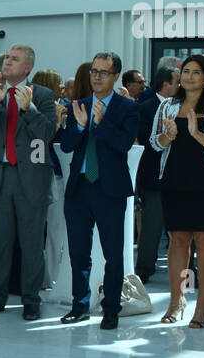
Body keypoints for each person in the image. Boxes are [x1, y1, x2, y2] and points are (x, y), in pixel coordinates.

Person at [0, 45, 57, 319]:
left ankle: (31, 300)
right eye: (7, 57)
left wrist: (29, 108)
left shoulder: (42, 95)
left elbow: (47, 134)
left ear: (28, 68)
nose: (7, 62)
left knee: (32, 245)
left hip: (30, 178)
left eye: (14, 59)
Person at [149, 53, 204, 328]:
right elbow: (155, 143)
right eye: (186, 71)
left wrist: (197, 134)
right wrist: (168, 135)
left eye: (196, 72)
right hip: (175, 180)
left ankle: (203, 304)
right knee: (178, 241)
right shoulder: (168, 106)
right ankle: (178, 300)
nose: (189, 77)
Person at [58, 53, 140, 328]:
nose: (96, 76)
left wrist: (102, 122)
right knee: (78, 253)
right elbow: (66, 145)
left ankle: (111, 309)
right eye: (94, 71)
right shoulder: (79, 105)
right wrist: (80, 126)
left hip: (110, 191)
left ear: (115, 76)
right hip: (79, 189)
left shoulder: (128, 108)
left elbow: (123, 144)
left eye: (103, 72)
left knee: (113, 255)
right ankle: (79, 306)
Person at [135, 65, 179, 283]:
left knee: (183, 227)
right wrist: (166, 136)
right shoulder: (145, 108)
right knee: (152, 226)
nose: (181, 85)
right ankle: (144, 268)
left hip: (181, 175)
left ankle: (187, 271)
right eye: (177, 82)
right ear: (166, 84)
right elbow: (145, 141)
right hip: (154, 176)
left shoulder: (184, 106)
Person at [31, 69, 68, 295]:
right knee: (40, 229)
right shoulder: (37, 110)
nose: (62, 87)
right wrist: (55, 121)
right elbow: (40, 142)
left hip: (57, 174)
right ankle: (40, 276)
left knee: (55, 228)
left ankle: (51, 276)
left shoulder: (64, 107)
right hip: (42, 173)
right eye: (58, 83)